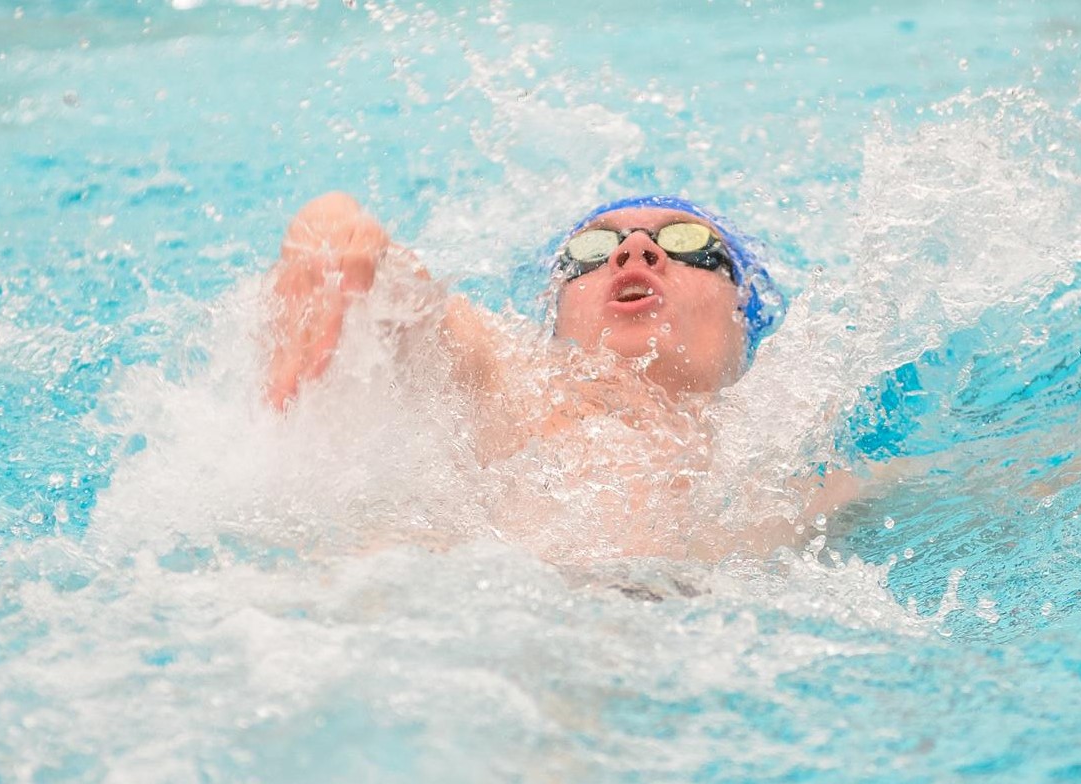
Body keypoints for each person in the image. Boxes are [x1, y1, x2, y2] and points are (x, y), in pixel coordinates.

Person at [264, 191, 856, 556]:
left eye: (690, 243)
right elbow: (407, 301)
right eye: (592, 251)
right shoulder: (509, 383)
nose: (637, 252)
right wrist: (331, 229)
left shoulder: (804, 461)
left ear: (745, 315)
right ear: (555, 319)